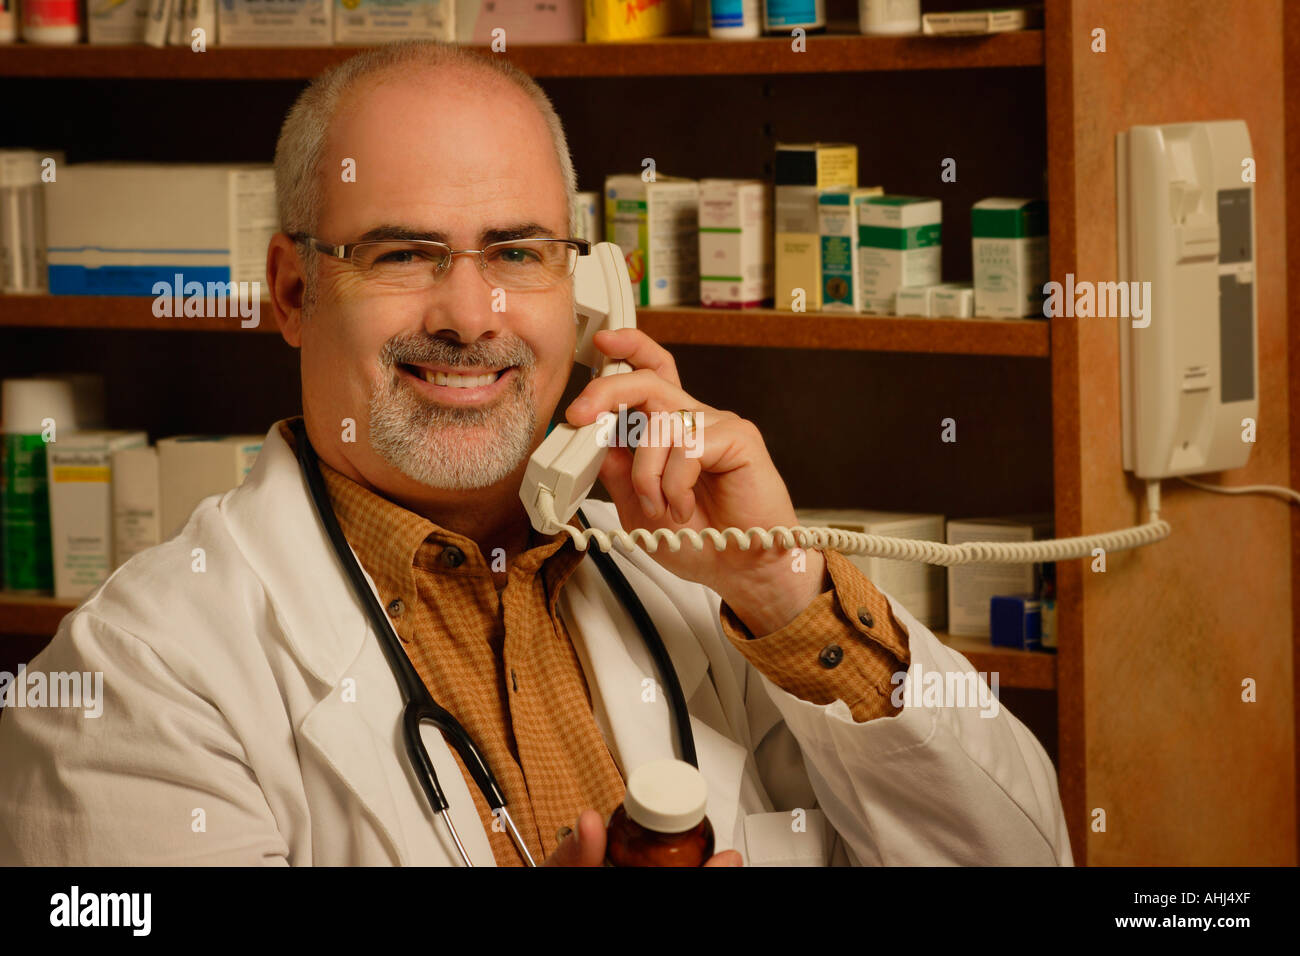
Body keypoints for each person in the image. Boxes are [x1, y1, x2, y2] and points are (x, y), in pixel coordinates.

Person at [0, 41, 1071, 866]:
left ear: (591, 289)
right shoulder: (136, 677)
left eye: (520, 253)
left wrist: (783, 589)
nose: (471, 316)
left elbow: (1022, 852)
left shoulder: (713, 593)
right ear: (292, 290)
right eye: (404, 252)